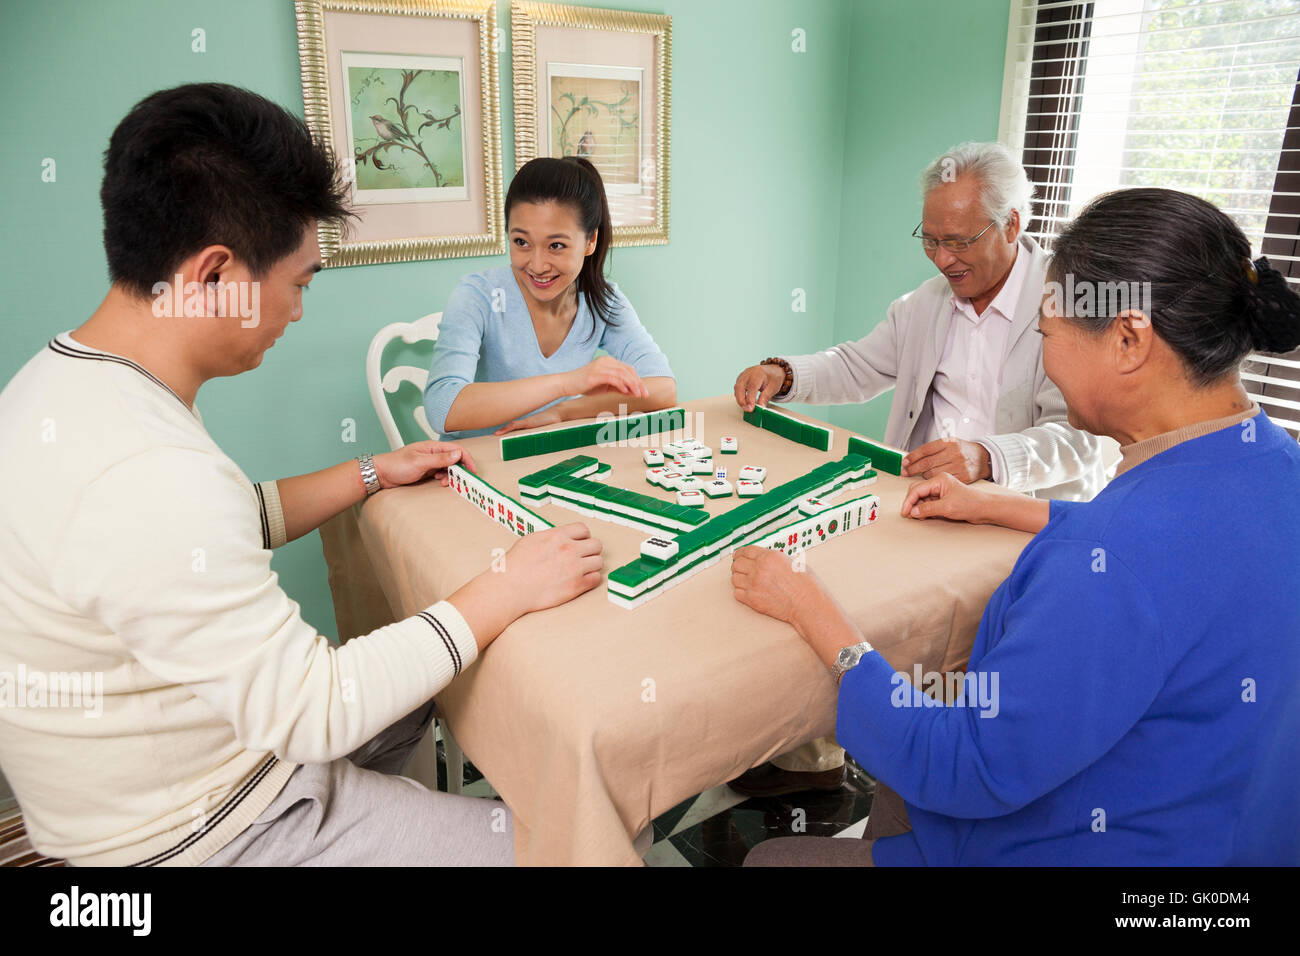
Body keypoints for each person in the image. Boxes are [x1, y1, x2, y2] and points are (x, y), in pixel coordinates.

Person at [0, 83, 605, 867]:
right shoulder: (144, 470)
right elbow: (319, 709)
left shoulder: (72, 386)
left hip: (208, 746)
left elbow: (223, 525)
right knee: (579, 846)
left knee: (423, 683)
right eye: (300, 282)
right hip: (205, 828)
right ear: (214, 276)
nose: (299, 311)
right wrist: (509, 585)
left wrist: (371, 471)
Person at [737, 187, 1300, 865]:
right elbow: (1177, 546)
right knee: (899, 785)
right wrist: (1003, 505)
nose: (1044, 352)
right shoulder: (1273, 462)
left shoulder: (1105, 562)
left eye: (1048, 334)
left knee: (769, 858)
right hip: (1226, 827)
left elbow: (963, 767)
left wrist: (812, 609)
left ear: (1128, 341)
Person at [728, 141, 1119, 798]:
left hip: (1016, 520)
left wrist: (987, 457)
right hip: (922, 503)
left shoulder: (1067, 305)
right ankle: (816, 752)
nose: (943, 259)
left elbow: (1082, 442)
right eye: (931, 240)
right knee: (826, 578)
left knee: (938, 644)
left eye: (959, 241)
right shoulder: (926, 302)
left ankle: (923, 759)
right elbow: (857, 365)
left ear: (1013, 224)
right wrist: (785, 373)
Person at [424, 156, 676, 439]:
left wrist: (564, 411)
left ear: (590, 241)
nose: (537, 265)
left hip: (551, 457)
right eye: (521, 242)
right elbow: (442, 408)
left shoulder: (602, 301)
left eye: (556, 245)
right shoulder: (478, 296)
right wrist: (568, 383)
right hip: (478, 462)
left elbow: (663, 389)